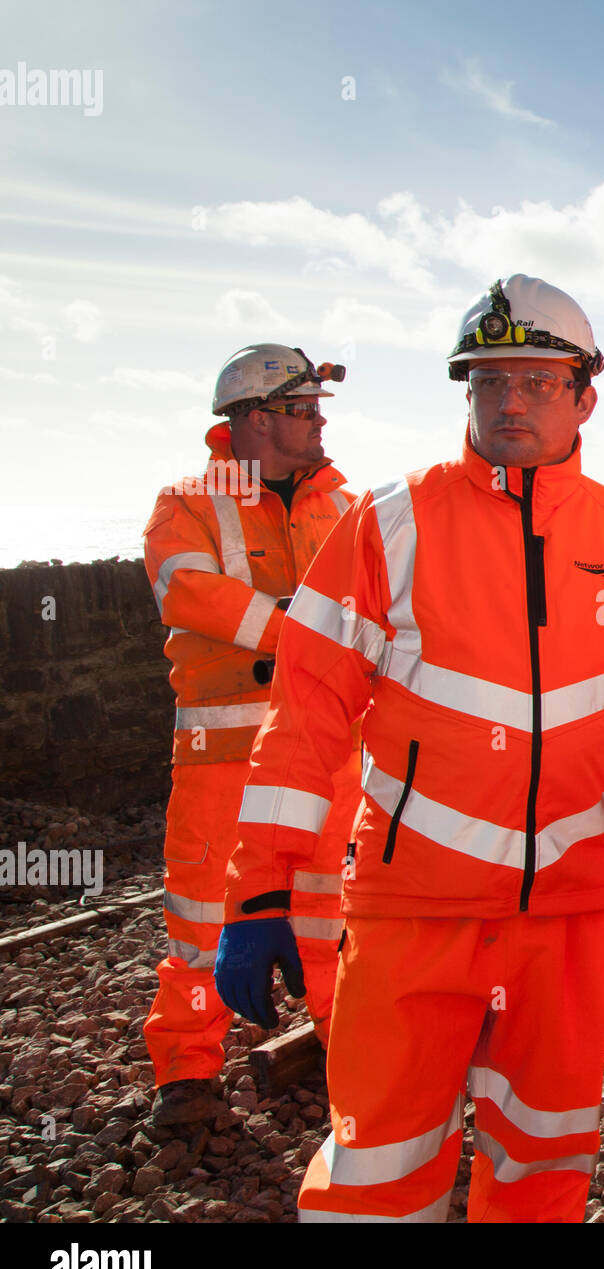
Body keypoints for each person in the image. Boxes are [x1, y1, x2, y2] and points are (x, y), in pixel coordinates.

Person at [215, 274, 604, 1223]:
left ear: (584, 397)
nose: (510, 401)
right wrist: (259, 888)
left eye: (535, 380)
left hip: (573, 910)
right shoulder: (387, 526)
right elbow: (305, 716)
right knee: (378, 1170)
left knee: (546, 1159)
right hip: (414, 911)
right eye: (489, 381)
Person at [142, 344, 361, 1127]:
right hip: (223, 760)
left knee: (327, 910)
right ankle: (187, 1074)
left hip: (325, 754)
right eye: (304, 411)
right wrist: (306, 631)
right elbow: (191, 591)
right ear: (256, 419)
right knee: (203, 921)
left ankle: (352, 1051)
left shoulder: (342, 505)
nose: (319, 423)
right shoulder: (188, 503)